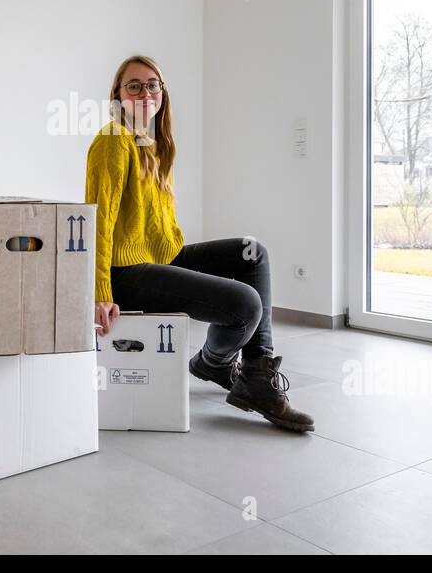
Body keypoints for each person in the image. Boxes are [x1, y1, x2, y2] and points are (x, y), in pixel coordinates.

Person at [84, 54, 314, 432]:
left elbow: (159, 233)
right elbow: (98, 220)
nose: (145, 92)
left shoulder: (156, 145)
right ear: (118, 96)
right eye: (134, 85)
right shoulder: (113, 140)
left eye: (152, 84)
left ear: (162, 93)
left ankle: (256, 375)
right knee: (245, 304)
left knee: (252, 253)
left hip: (156, 260)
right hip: (124, 272)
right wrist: (100, 292)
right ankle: (215, 362)